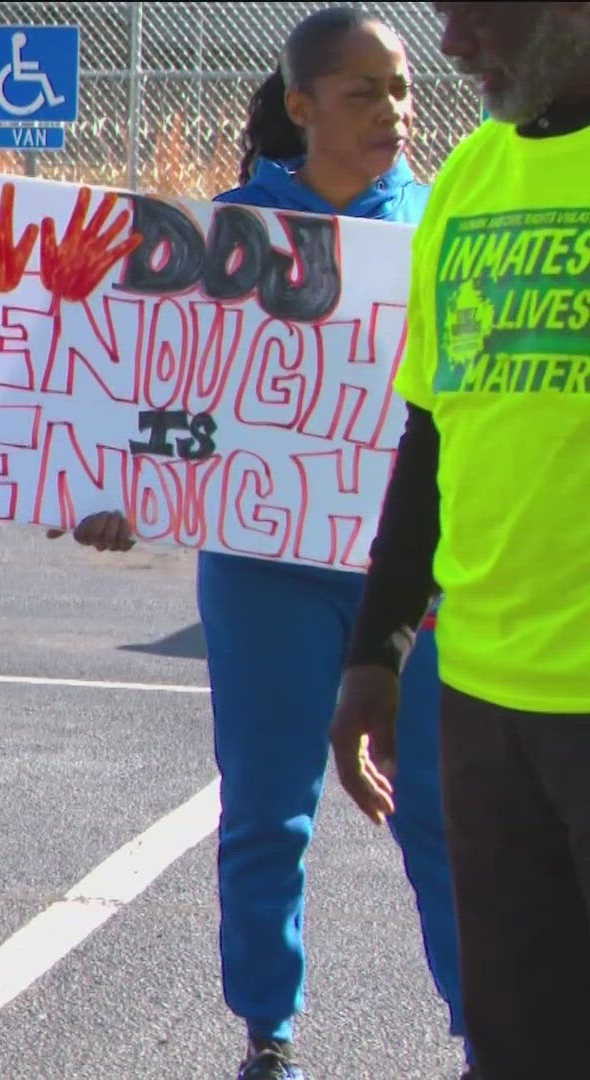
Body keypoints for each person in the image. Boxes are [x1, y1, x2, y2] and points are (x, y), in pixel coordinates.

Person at [47, 10, 468, 1080]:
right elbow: (161, 400)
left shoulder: (444, 223)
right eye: (364, 91)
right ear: (301, 106)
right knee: (268, 810)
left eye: (403, 88)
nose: (394, 111)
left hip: (415, 580)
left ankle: (481, 1032)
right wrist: (121, 492)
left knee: (438, 816)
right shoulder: (219, 239)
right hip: (266, 568)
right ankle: (267, 1036)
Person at [332, 3, 590, 1076]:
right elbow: (432, 436)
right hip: (485, 700)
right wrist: (375, 656)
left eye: (482, 13)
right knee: (519, 1040)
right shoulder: (470, 185)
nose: (451, 46)